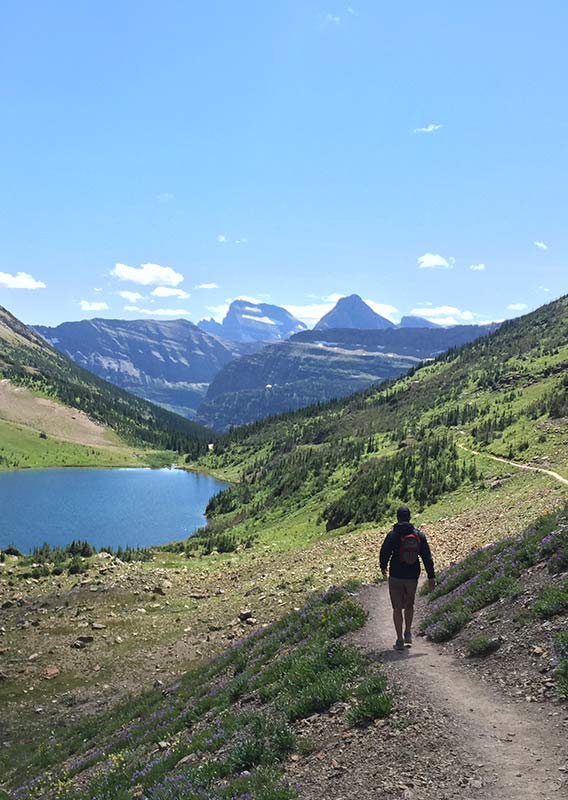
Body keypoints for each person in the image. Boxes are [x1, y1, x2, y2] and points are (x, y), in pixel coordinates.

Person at [379, 505, 436, 651]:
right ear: (409, 517)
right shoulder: (419, 535)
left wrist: (383, 567)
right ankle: (408, 632)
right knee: (409, 605)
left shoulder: (392, 535)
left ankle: (399, 639)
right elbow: (427, 557)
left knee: (397, 608)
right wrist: (431, 577)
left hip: (396, 575)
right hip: (412, 575)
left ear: (397, 518)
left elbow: (384, 552)